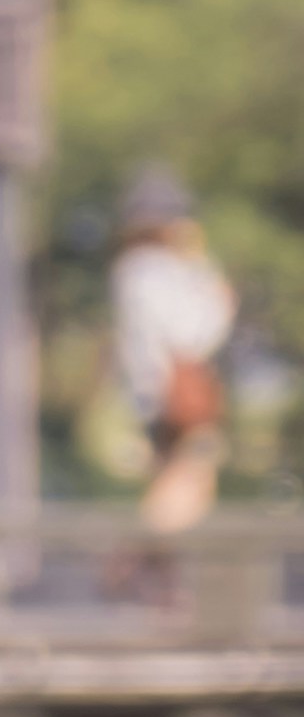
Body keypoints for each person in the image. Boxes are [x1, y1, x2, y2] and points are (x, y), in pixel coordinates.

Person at [107, 167, 238, 537]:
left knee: (177, 480)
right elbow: (192, 335)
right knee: (188, 482)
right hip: (176, 396)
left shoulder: (134, 269)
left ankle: (148, 571)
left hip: (159, 395)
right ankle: (136, 566)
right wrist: (218, 297)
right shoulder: (153, 270)